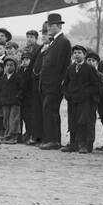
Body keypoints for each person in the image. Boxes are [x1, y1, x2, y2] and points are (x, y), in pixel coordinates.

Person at [35, 12, 71, 150]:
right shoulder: (54, 41)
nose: (48, 28)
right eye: (48, 26)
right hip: (47, 84)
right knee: (48, 111)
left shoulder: (63, 42)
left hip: (54, 85)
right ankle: (50, 138)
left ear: (58, 26)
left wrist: (60, 84)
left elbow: (63, 66)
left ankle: (54, 140)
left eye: (51, 26)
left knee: (51, 111)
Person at [61, 44, 101, 153]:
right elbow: (65, 84)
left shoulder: (89, 69)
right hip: (72, 100)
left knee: (83, 122)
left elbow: (96, 85)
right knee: (72, 121)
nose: (77, 55)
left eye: (79, 53)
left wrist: (86, 93)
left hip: (85, 102)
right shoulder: (70, 68)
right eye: (75, 53)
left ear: (84, 55)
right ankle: (73, 144)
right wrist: (67, 94)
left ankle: (84, 145)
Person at [0, 54, 24, 143]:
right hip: (5, 101)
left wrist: (18, 96)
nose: (9, 67)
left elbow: (22, 88)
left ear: (15, 67)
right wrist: (1, 98)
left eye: (11, 65)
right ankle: (7, 134)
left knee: (14, 118)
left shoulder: (17, 77)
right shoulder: (4, 77)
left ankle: (14, 136)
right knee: (6, 118)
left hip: (15, 102)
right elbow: (0, 89)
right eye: (7, 65)